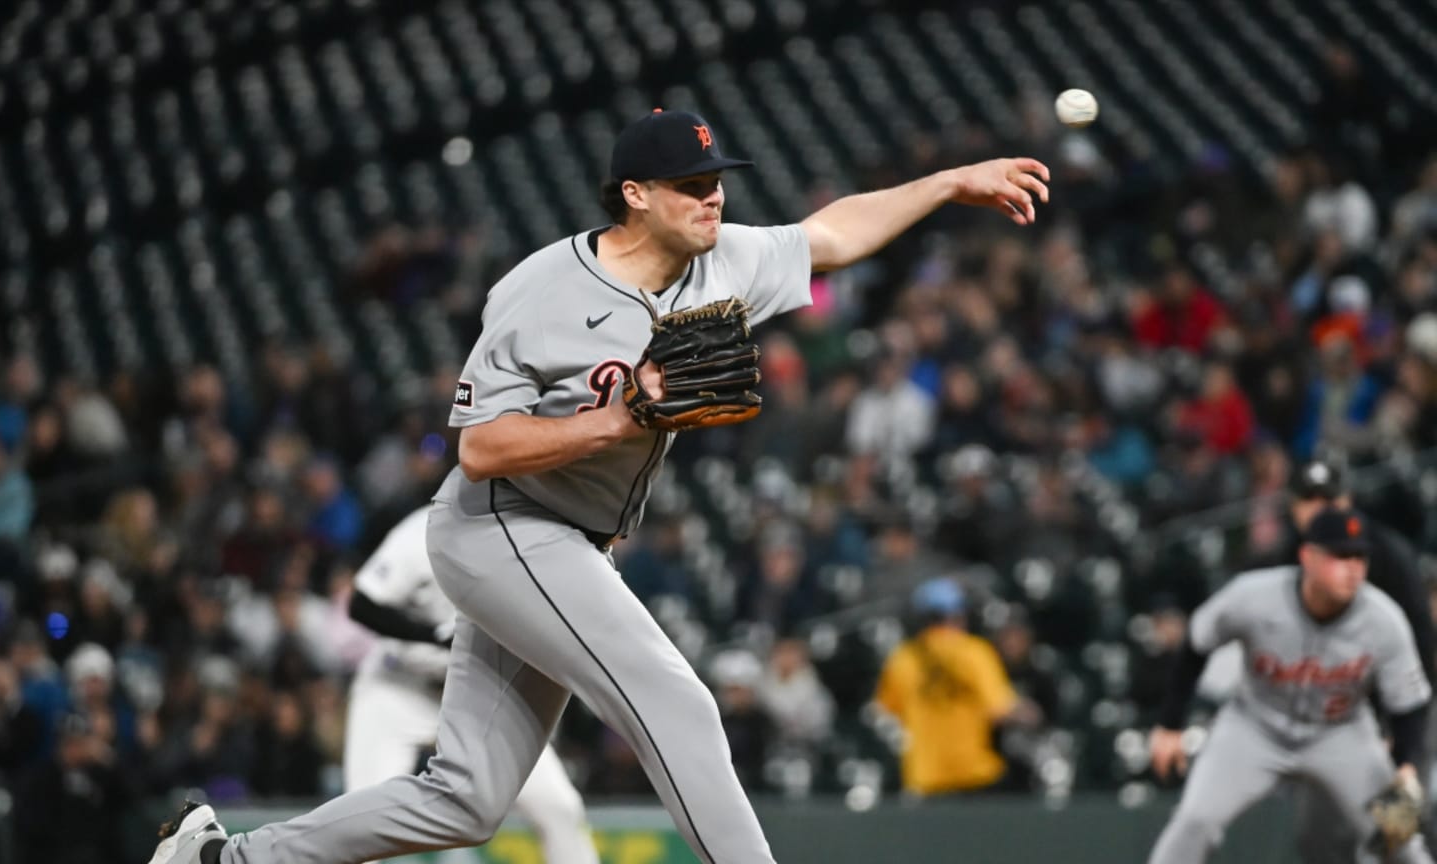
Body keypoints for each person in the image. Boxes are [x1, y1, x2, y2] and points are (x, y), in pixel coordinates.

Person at [150, 107, 1049, 864]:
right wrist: (618, 423)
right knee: (680, 704)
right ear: (635, 196)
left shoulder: (722, 261)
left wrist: (947, 184)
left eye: (717, 179)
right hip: (497, 525)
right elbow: (480, 447)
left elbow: (830, 233)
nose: (714, 197)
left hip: (564, 539)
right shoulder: (539, 290)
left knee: (465, 799)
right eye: (693, 186)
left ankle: (226, 858)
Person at [1146, 507, 1435, 863]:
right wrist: (1170, 724)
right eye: (1340, 556)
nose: (1353, 568)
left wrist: (1406, 768)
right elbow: (1197, 640)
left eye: (1359, 557)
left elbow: (1409, 704)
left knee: (1401, 837)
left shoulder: (1383, 619)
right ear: (1308, 557)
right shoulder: (1254, 596)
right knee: (1195, 821)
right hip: (1254, 726)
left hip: (1341, 733)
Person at [342, 504, 598, 864]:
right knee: (360, 826)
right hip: (400, 689)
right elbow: (361, 604)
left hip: (477, 694)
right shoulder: (420, 534)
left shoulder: (525, 538)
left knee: (560, 808)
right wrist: (433, 634)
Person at [1285, 460, 1437, 864]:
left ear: (1348, 500)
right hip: (1334, 721)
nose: (1321, 509)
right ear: (1294, 508)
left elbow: (1420, 648)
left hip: (1400, 713)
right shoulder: (1290, 560)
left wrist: (1396, 727)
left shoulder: (1386, 556)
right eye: (1310, 500)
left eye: (1330, 499)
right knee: (1317, 841)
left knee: (1394, 837)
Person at [873, 578, 1039, 797]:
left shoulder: (902, 658)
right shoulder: (975, 652)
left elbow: (885, 712)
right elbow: (1000, 710)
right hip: (974, 773)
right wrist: (1030, 712)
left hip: (924, 777)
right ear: (958, 615)